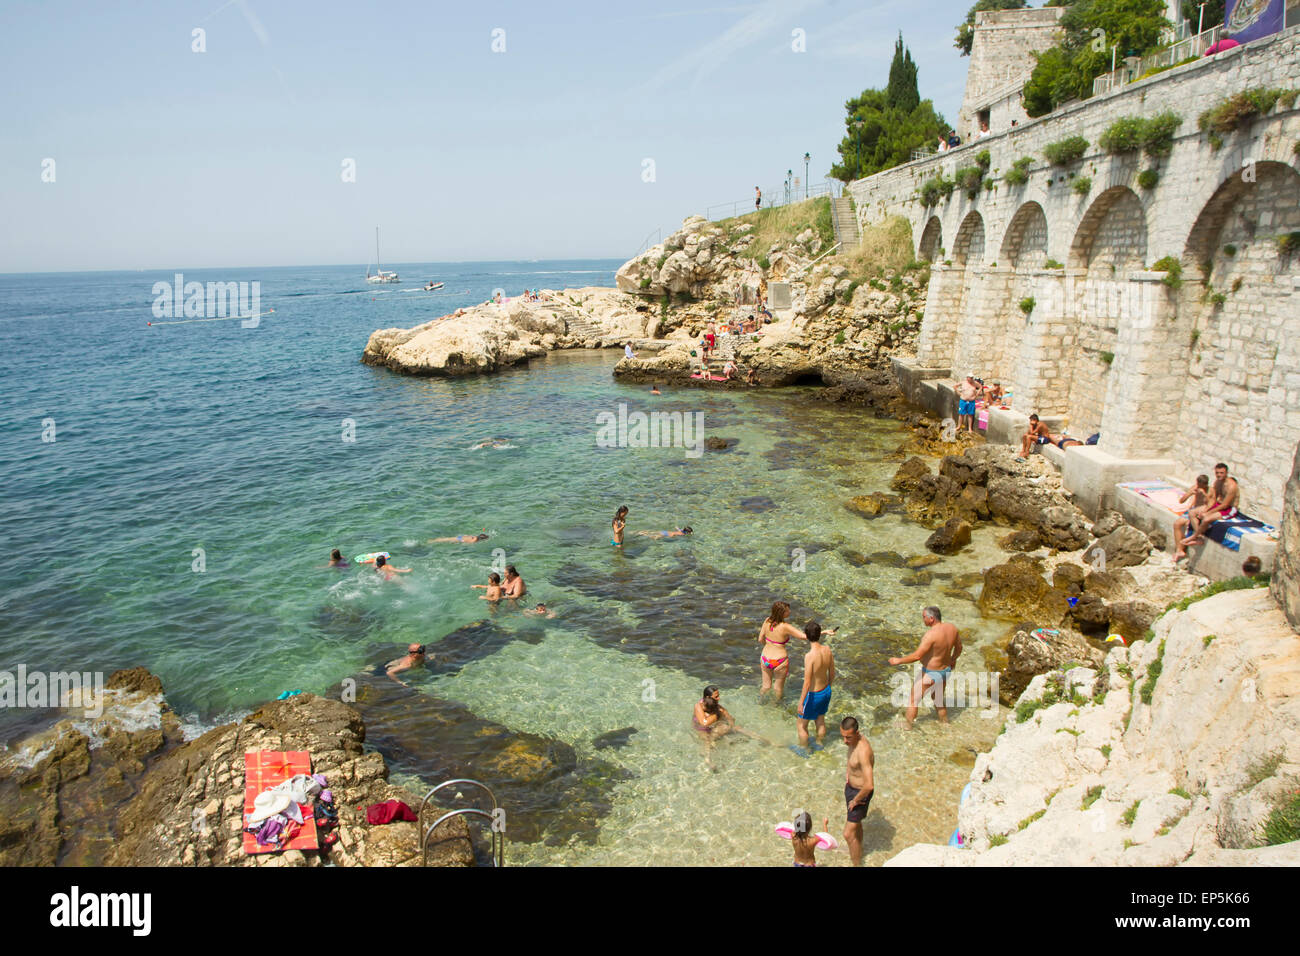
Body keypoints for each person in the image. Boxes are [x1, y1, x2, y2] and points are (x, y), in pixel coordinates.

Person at [888, 606, 962, 727]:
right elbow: (959, 648)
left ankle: (908, 727)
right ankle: (945, 724)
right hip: (945, 671)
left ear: (931, 618)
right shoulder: (952, 628)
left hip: (931, 673)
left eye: (924, 617)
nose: (923, 620)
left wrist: (898, 660)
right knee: (937, 700)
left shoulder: (930, 635)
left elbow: (917, 656)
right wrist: (953, 659)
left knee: (913, 701)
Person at [1178, 463, 1240, 555]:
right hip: (1218, 505)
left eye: (1221, 473)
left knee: (1206, 518)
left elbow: (1225, 505)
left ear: (1226, 473)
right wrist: (1206, 509)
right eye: (1217, 473)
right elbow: (1213, 500)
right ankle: (1199, 536)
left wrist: (1208, 512)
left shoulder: (1232, 486)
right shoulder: (1217, 482)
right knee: (1192, 513)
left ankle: (1194, 536)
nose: (1219, 475)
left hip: (1229, 509)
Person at [840, 716, 875, 866]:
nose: (845, 741)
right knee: (857, 825)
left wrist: (856, 800)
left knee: (847, 834)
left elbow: (869, 785)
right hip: (851, 788)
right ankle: (859, 849)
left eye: (848, 737)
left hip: (860, 793)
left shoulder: (863, 751)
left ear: (857, 733)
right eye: (843, 736)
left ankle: (856, 864)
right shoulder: (852, 741)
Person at [796, 622, 836, 752]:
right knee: (820, 720)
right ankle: (819, 743)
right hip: (826, 691)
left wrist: (801, 703)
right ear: (820, 634)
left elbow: (807, 683)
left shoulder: (809, 656)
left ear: (806, 636)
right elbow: (832, 672)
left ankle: (803, 749)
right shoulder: (827, 650)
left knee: (801, 725)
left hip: (813, 695)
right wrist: (829, 687)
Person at [757, 601, 804, 704]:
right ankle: (775, 707)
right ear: (782, 613)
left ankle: (760, 702)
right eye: (787, 610)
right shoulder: (785, 626)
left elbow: (760, 639)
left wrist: (768, 646)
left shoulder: (767, 621)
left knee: (766, 686)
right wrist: (823, 632)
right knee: (777, 688)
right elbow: (803, 636)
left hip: (765, 658)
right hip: (780, 661)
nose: (790, 611)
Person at [1172, 475, 1212, 560]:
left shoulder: (1210, 490)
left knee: (1188, 523)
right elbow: (1181, 501)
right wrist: (1190, 493)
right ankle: (1179, 550)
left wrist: (1204, 494)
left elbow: (1211, 503)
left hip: (1202, 511)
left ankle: (1198, 536)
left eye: (1202, 485)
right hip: (1193, 509)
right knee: (1177, 524)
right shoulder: (1195, 487)